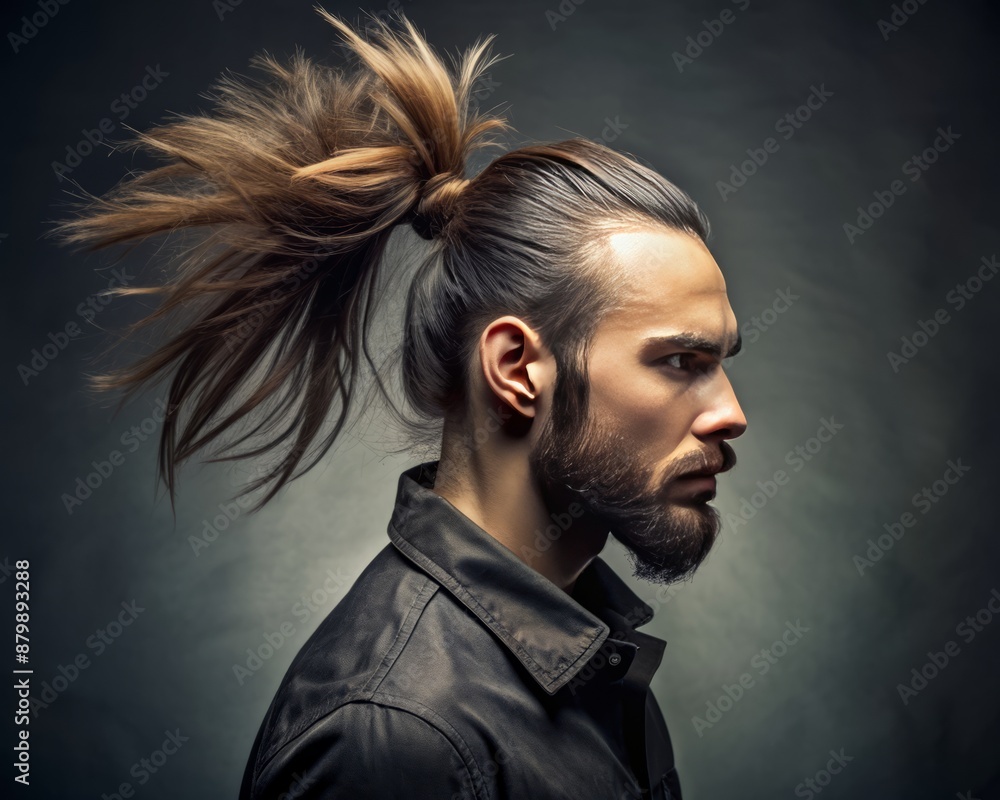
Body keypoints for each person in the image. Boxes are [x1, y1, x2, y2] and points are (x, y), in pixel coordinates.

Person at [52, 9, 747, 799]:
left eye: (720, 363)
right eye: (682, 362)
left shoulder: (593, 661)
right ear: (518, 368)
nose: (730, 412)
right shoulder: (395, 738)